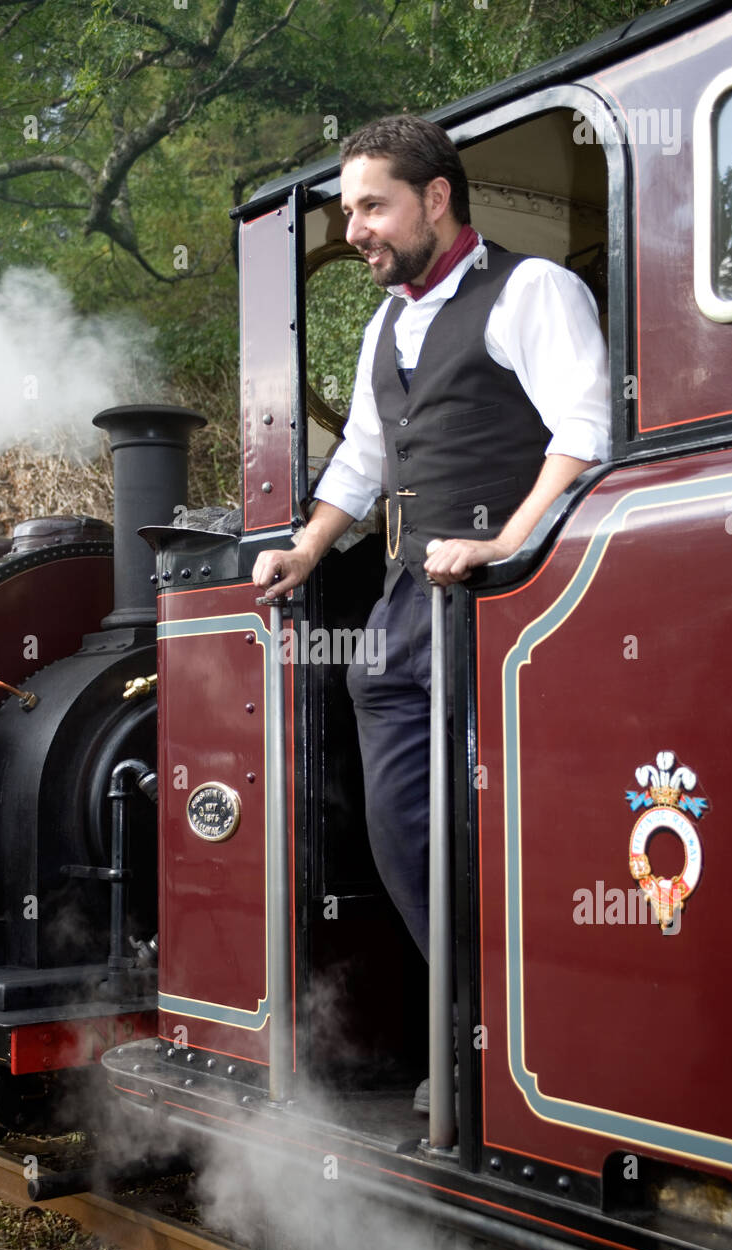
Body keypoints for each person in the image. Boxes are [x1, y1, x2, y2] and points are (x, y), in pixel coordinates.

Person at [253, 116, 610, 1097]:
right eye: (347, 209)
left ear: (436, 197)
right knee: (405, 819)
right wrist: (308, 546)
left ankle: (529, 1040)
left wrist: (507, 542)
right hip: (408, 606)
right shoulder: (382, 326)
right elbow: (363, 462)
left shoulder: (531, 289)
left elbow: (585, 428)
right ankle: (470, 1015)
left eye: (372, 205)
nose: (355, 227)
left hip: (511, 605)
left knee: (509, 818)